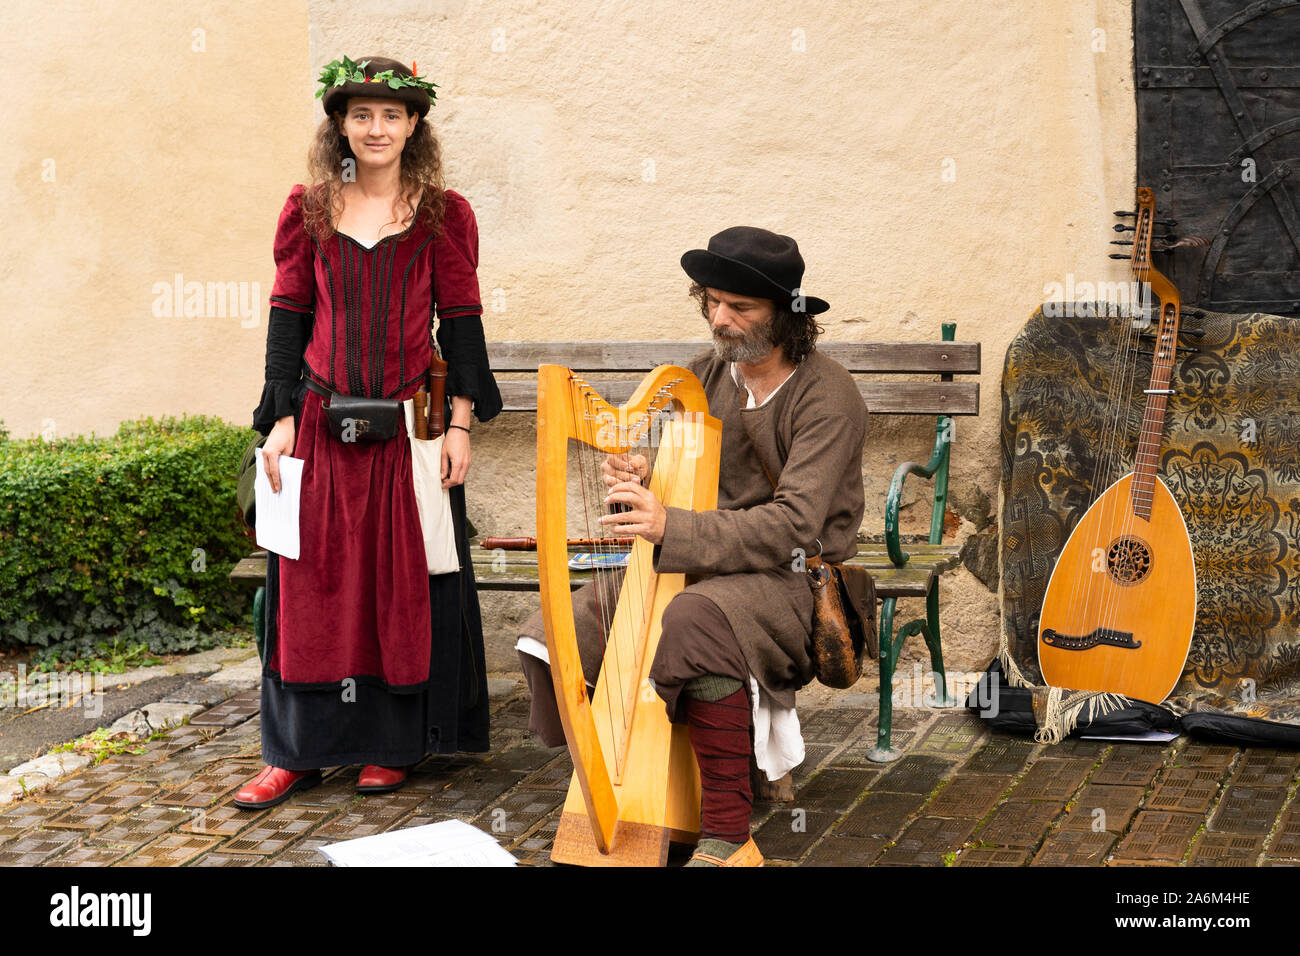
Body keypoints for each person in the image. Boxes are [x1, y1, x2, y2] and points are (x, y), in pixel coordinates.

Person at [515, 227, 867, 865]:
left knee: (697, 620)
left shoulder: (828, 395)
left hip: (798, 576)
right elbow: (692, 469)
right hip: (704, 558)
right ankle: (621, 782)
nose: (720, 319)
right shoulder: (707, 375)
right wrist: (642, 476)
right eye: (711, 301)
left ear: (787, 316)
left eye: (741, 307)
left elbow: (795, 522)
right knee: (560, 625)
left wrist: (669, 527)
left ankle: (729, 834)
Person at [237, 55, 502, 809]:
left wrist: (458, 423)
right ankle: (294, 753)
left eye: (391, 114)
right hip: (319, 423)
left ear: (414, 124)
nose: (376, 128)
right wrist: (282, 418)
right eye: (361, 115)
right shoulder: (310, 211)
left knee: (401, 589)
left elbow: (462, 325)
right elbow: (288, 319)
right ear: (341, 126)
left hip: (410, 427)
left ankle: (391, 745)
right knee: (308, 590)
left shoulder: (444, 215)